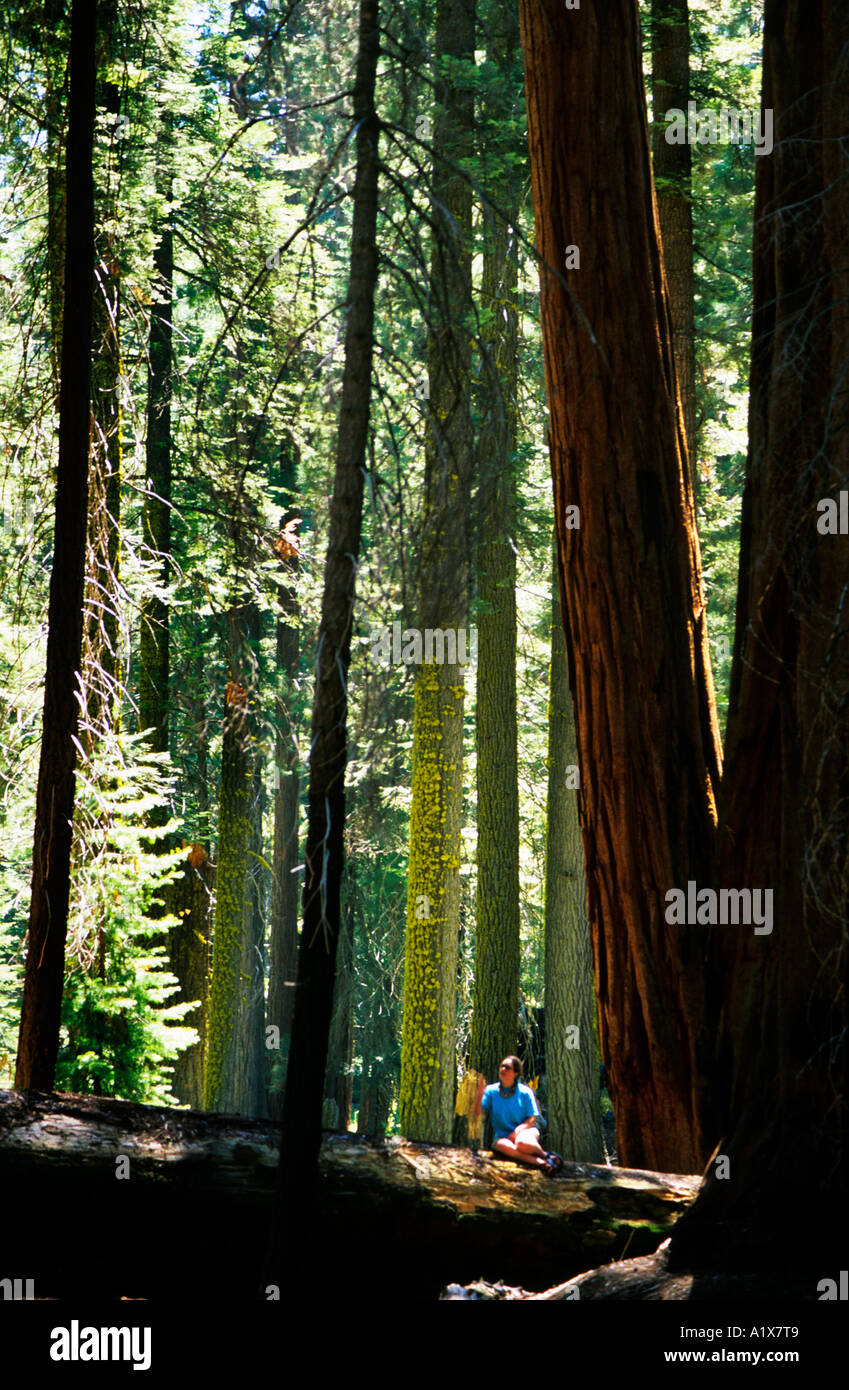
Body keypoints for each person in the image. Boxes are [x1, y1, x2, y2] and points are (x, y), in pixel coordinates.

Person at [480, 1056, 563, 1176]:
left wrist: (518, 1130)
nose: (503, 1069)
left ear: (515, 1073)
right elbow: (479, 1112)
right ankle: (542, 1163)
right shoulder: (491, 1091)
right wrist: (479, 1097)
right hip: (503, 1136)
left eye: (507, 1067)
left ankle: (547, 1155)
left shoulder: (525, 1092)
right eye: (502, 1066)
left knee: (522, 1143)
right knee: (503, 1145)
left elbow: (533, 1118)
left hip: (526, 1130)